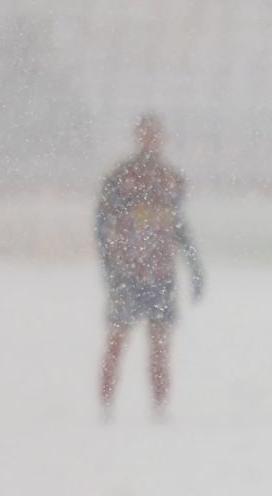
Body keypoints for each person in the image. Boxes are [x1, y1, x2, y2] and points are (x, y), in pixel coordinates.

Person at [95, 114, 204, 420]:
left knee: (159, 346)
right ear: (137, 136)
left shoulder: (170, 178)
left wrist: (195, 266)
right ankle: (105, 406)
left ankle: (159, 408)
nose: (150, 140)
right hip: (127, 273)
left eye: (156, 134)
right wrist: (109, 266)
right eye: (145, 134)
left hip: (161, 275)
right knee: (117, 341)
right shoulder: (120, 177)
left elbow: (180, 227)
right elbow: (102, 224)